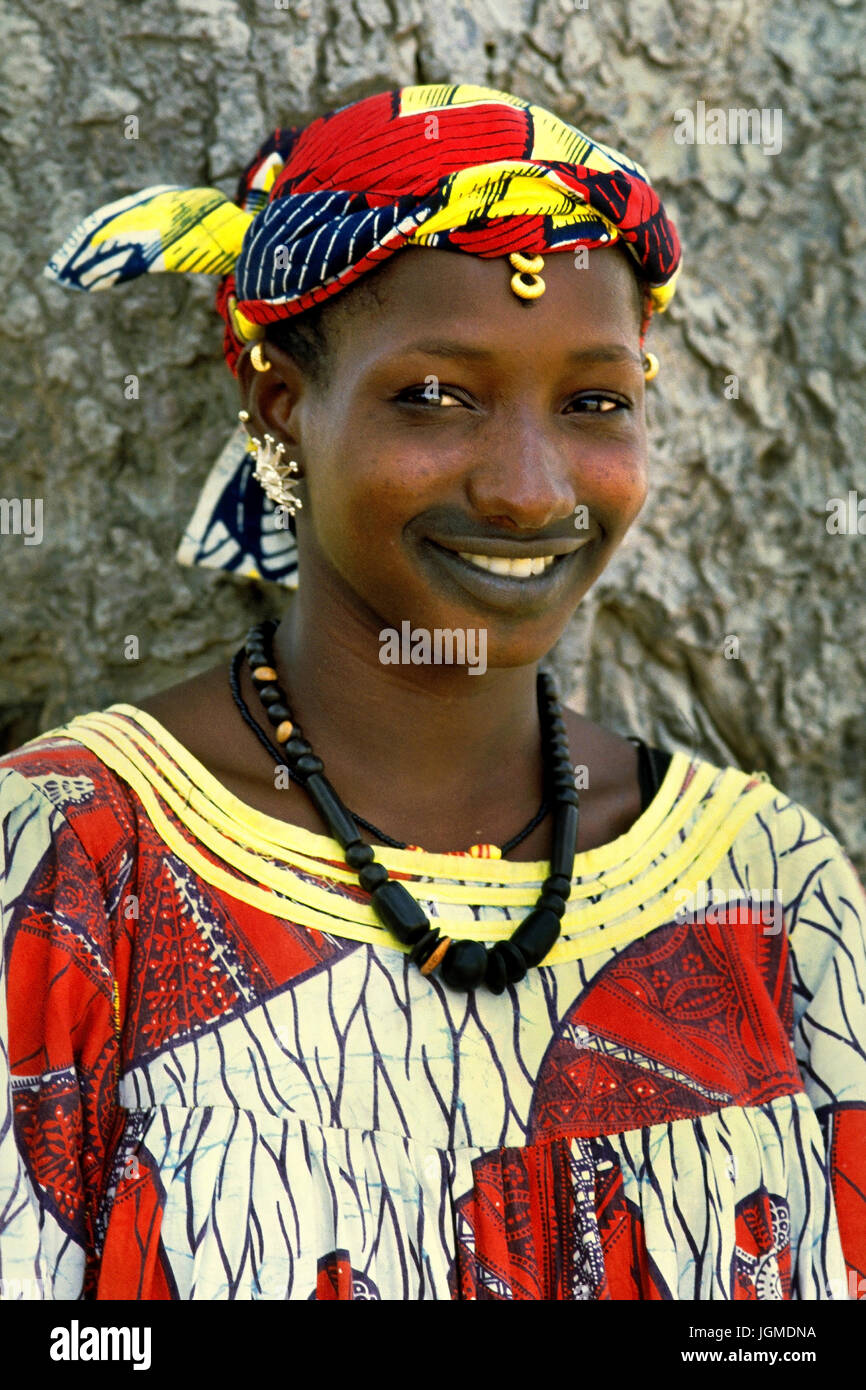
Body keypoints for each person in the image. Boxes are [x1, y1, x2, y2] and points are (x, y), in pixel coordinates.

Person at [1, 82, 864, 1302]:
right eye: (436, 396)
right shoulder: (69, 866)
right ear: (280, 414)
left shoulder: (777, 893)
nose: (526, 489)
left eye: (594, 401)